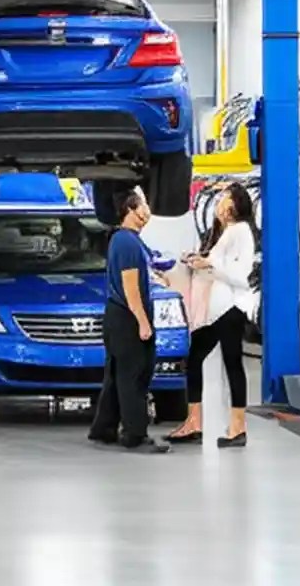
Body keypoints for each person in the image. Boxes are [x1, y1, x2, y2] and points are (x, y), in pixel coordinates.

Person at [167, 182, 258, 448]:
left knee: (230, 364)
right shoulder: (225, 233)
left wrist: (210, 264)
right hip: (216, 312)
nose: (219, 203)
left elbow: (240, 276)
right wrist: (199, 260)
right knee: (195, 359)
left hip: (230, 309)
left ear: (234, 204)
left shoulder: (240, 232)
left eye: (224, 197)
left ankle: (236, 427)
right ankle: (195, 422)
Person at [88, 188, 171, 454]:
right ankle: (135, 433)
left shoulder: (130, 241)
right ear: (131, 210)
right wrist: (143, 323)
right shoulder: (126, 242)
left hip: (119, 316)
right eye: (143, 206)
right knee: (134, 375)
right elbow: (130, 288)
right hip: (127, 317)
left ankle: (104, 428)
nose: (147, 212)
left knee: (116, 374)